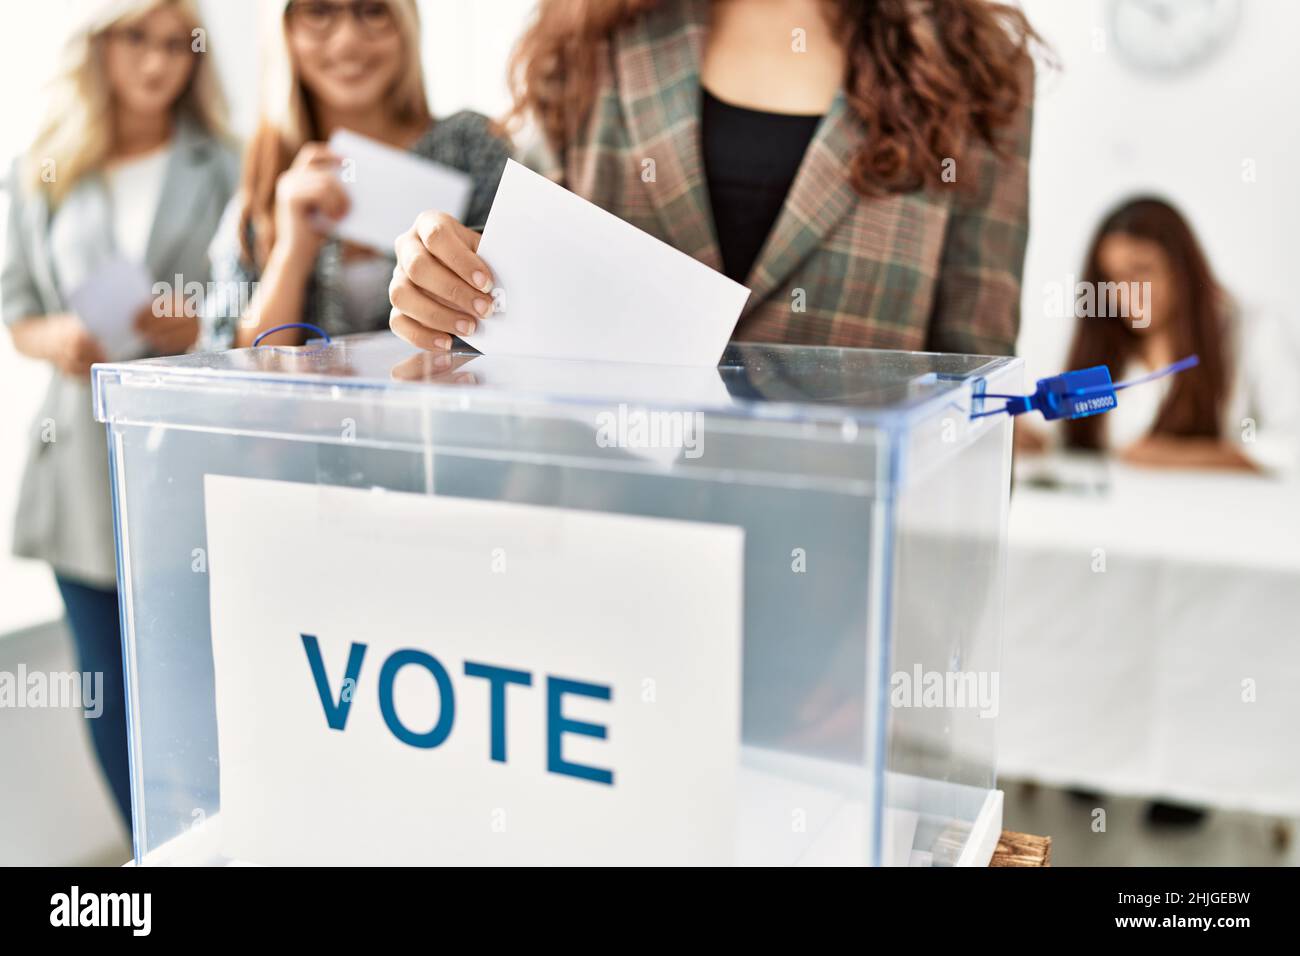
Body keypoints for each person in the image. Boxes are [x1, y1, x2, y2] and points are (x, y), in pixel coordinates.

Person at [388, 0, 1037, 356]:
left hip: (847, 554)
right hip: (608, 534)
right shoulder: (588, 31)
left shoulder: (975, 65)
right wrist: (448, 283)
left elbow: (977, 378)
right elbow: (519, 296)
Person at [2, 0, 237, 827]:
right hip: (77, 464)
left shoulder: (228, 165)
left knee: (197, 677)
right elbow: (15, 307)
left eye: (177, 44)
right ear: (99, 43)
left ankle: (209, 839)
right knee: (105, 684)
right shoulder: (41, 167)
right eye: (137, 37)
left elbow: (253, 297)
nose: (158, 61)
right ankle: (146, 851)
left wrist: (197, 317)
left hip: (188, 454)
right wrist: (53, 336)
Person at [204, 0, 511, 350]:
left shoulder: (471, 147)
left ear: (404, 23)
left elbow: (515, 316)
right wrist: (292, 252)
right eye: (318, 12)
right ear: (284, 30)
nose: (348, 41)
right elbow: (230, 365)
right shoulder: (267, 172)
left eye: (373, 10)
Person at [1028, 197, 1299, 472]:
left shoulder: (1257, 331)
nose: (1124, 293)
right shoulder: (1107, 348)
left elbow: (1290, 444)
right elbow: (1061, 434)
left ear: (1182, 268)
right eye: (1112, 279)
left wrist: (1181, 456)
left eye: (1141, 271)